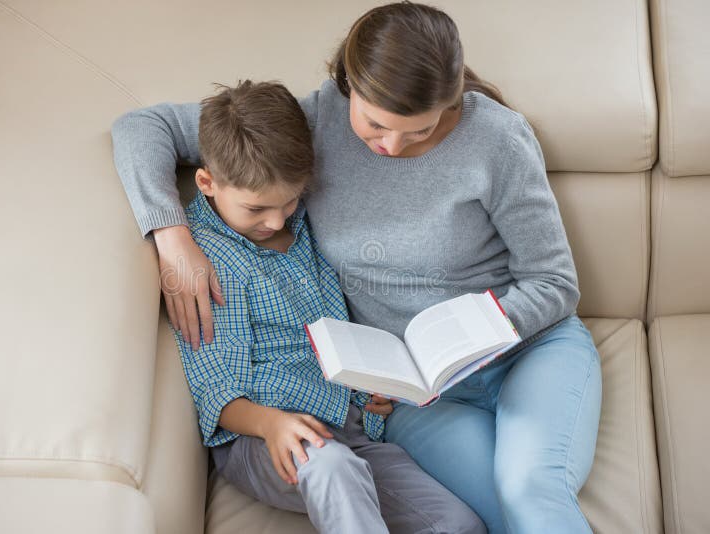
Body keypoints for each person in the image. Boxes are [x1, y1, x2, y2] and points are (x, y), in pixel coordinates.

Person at [111, 3, 602, 533]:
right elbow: (144, 126)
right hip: (422, 396)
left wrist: (473, 333)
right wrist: (171, 233)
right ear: (348, 83)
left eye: (419, 130)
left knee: (528, 488)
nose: (390, 146)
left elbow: (555, 283)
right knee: (494, 514)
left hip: (528, 353)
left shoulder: (498, 141)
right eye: (375, 124)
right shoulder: (311, 122)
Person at [164, 79, 485, 534]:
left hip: (349, 427)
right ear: (207, 182)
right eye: (257, 209)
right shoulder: (206, 261)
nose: (276, 220)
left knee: (457, 524)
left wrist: (371, 386)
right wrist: (271, 425)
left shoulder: (309, 221)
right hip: (263, 435)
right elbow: (215, 385)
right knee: (331, 468)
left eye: (289, 199)